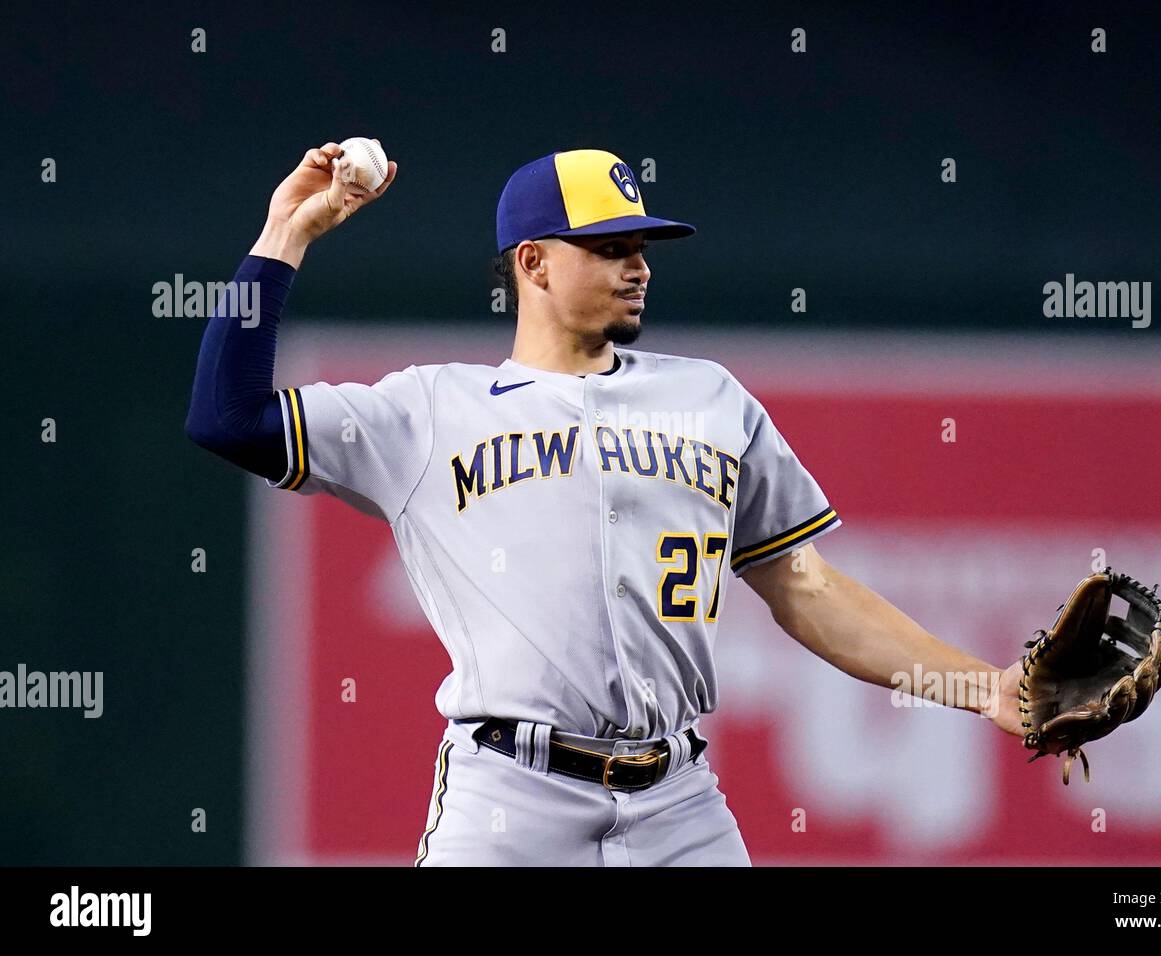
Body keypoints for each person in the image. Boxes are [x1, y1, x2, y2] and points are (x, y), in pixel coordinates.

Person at [185, 144, 1024, 867]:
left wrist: (983, 688)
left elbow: (807, 590)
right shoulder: (429, 411)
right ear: (533, 262)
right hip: (510, 799)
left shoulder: (711, 399)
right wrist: (285, 234)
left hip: (680, 804)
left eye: (642, 246)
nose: (639, 266)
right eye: (609, 246)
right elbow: (226, 419)